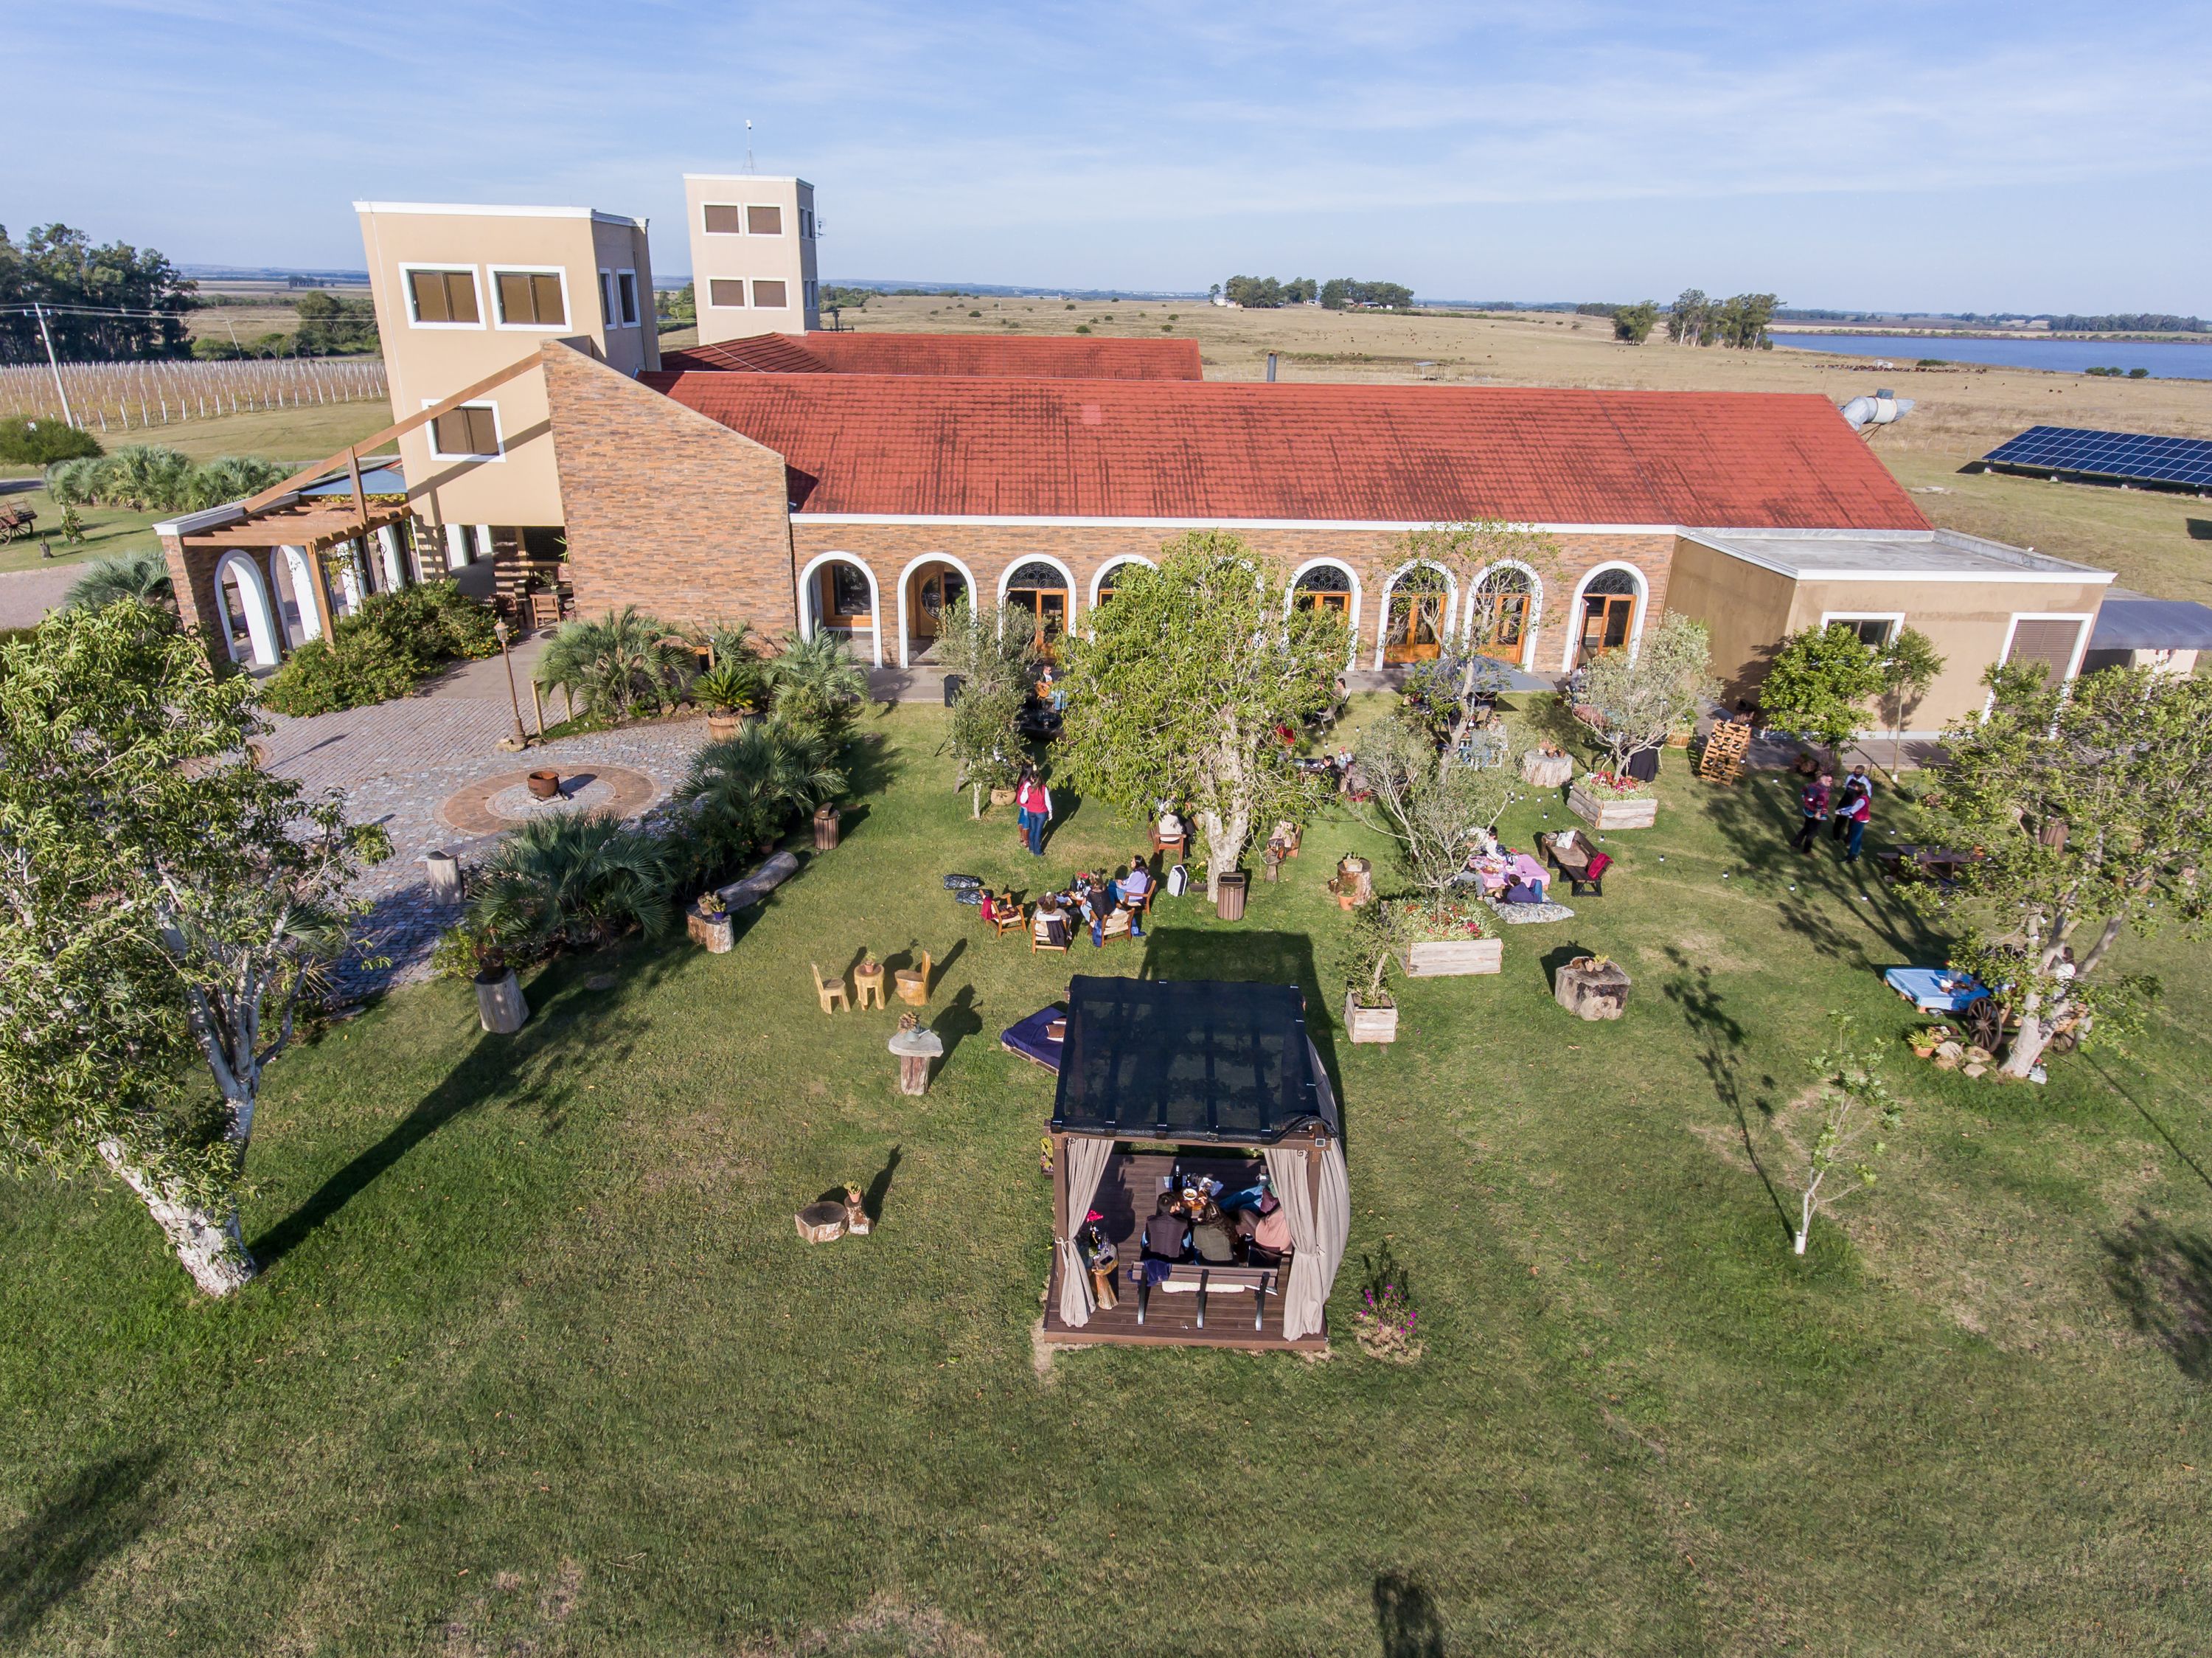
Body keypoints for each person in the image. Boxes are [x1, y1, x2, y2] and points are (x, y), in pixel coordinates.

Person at [1835, 766, 1873, 862]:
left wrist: (1841, 812)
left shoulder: (1860, 800)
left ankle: (1851, 856)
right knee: (1858, 838)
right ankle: (1856, 854)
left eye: (1856, 788)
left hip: (1859, 820)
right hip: (1862, 819)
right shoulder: (1864, 798)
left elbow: (1853, 810)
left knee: (1855, 838)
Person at [1140, 1193, 1190, 1263]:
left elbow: (1147, 1238)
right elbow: (1186, 1240)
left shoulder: (1151, 1221)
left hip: (1154, 1257)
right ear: (1173, 1208)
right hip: (1175, 1260)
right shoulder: (1182, 1223)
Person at [1792, 771, 1832, 855]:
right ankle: (1807, 851)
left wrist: (1804, 799)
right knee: (1812, 833)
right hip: (1816, 814)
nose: (1831, 783)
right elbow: (1820, 804)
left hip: (1807, 811)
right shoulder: (1823, 792)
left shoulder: (1811, 785)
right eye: (1829, 781)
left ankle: (1795, 844)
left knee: (1805, 827)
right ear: (1823, 780)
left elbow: (1803, 791)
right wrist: (1818, 813)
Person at [1016, 768, 1053, 856]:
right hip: (1041, 813)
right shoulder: (1044, 789)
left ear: (1032, 779)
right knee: (1038, 831)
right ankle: (1038, 851)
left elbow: (1023, 800)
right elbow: (1048, 802)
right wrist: (1050, 812)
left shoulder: (1029, 789)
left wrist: (1025, 790)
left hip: (1031, 812)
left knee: (1032, 829)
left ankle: (1031, 848)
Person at [1119, 856, 1152, 937]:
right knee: (1112, 888)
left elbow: (1128, 886)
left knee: (1111, 893)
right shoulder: (1138, 872)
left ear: (1138, 864)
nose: (1131, 863)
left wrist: (1120, 886)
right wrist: (1123, 882)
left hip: (1133, 897)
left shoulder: (1138, 874)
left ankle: (1119, 921)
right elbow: (1130, 881)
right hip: (1130, 893)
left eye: (1133, 862)